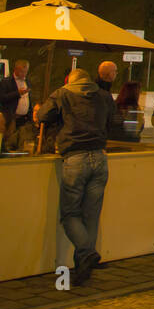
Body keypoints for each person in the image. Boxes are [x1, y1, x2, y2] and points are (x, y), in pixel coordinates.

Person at [35, 68, 112, 284]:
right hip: (100, 157)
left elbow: (43, 116)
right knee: (91, 216)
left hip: (74, 157)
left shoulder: (62, 93)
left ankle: (86, 253)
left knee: (69, 214)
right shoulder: (103, 96)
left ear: (71, 80)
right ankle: (83, 269)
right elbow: (113, 121)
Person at [0, 59, 31, 134]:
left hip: (23, 119)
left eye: (26, 72)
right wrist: (17, 93)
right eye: (22, 71)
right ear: (15, 69)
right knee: (9, 138)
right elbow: (1, 98)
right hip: (11, 118)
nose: (24, 74)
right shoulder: (6, 82)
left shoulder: (27, 82)